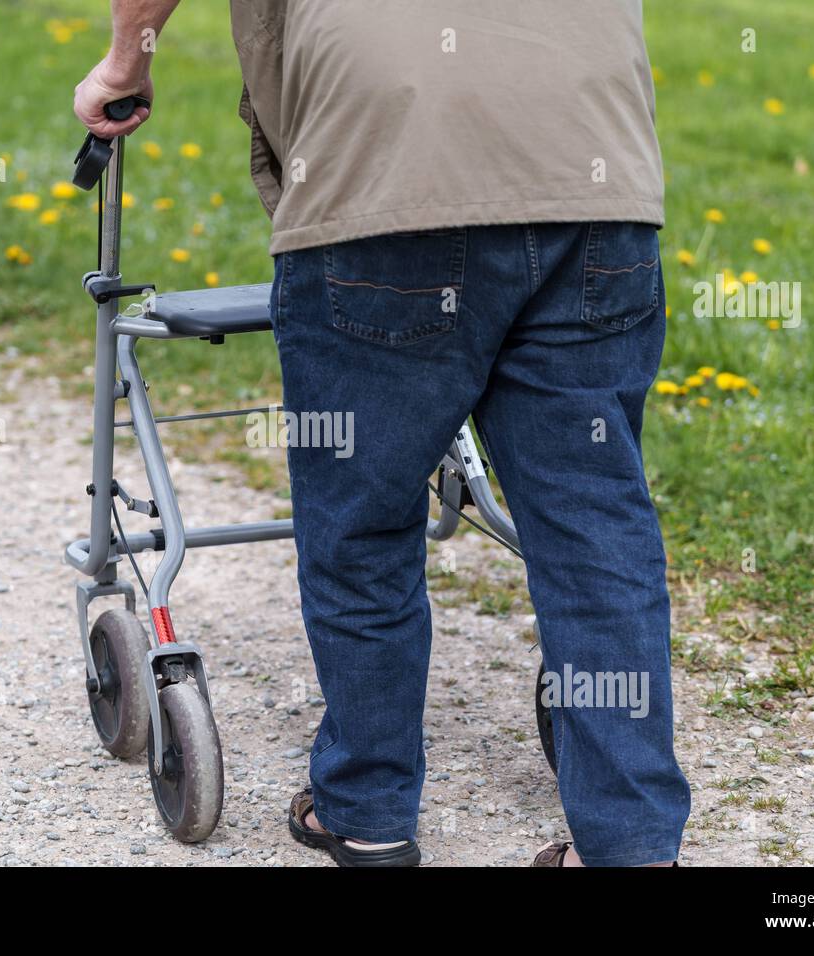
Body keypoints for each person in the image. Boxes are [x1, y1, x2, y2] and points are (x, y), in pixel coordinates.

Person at [75, 0, 691, 867]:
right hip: (596, 179)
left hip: (388, 185)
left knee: (361, 523)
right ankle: (629, 844)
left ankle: (365, 811)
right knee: (595, 527)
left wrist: (124, 63)